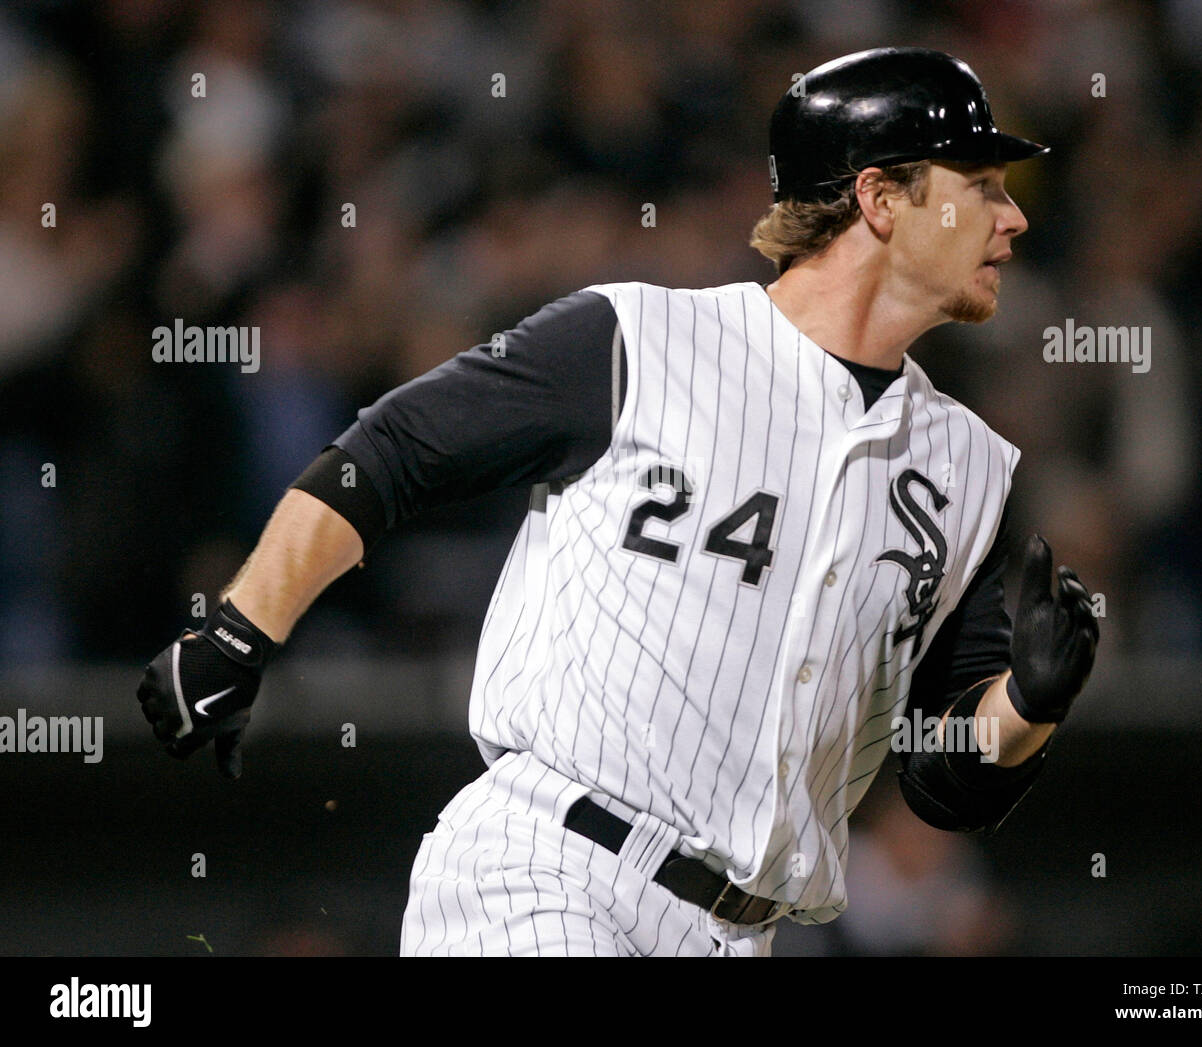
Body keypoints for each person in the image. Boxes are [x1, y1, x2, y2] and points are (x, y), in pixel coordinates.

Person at [137, 47, 1098, 957]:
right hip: (552, 872)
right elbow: (390, 452)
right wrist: (237, 631)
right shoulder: (639, 340)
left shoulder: (970, 467)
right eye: (980, 185)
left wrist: (1027, 705)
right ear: (879, 197)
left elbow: (940, 780)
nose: (1013, 218)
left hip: (742, 930)